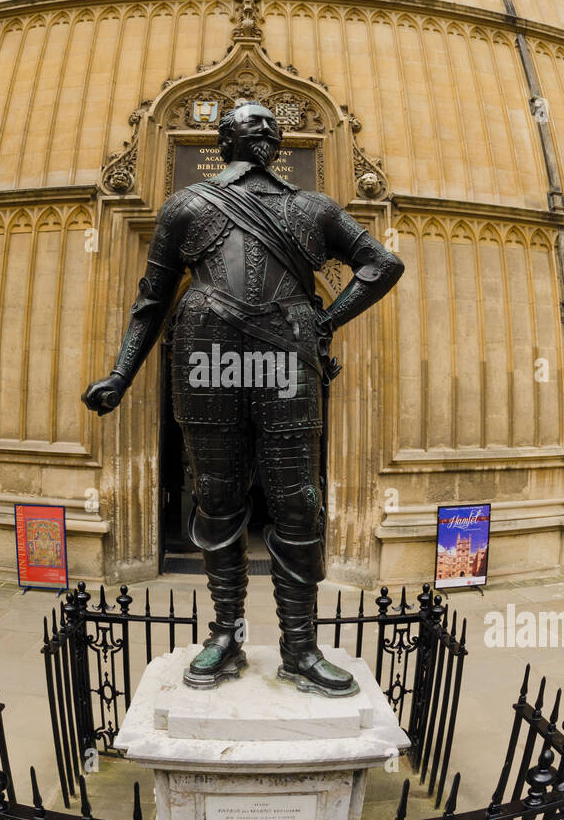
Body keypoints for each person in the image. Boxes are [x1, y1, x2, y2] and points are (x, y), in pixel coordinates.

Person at [82, 101, 404, 695]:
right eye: (249, 128)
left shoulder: (312, 208)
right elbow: (150, 301)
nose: (258, 136)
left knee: (297, 499)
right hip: (210, 352)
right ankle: (226, 633)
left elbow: (382, 263)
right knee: (217, 494)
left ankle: (300, 647)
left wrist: (325, 322)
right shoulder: (189, 207)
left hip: (277, 355)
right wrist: (121, 375)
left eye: (264, 128)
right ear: (232, 139)